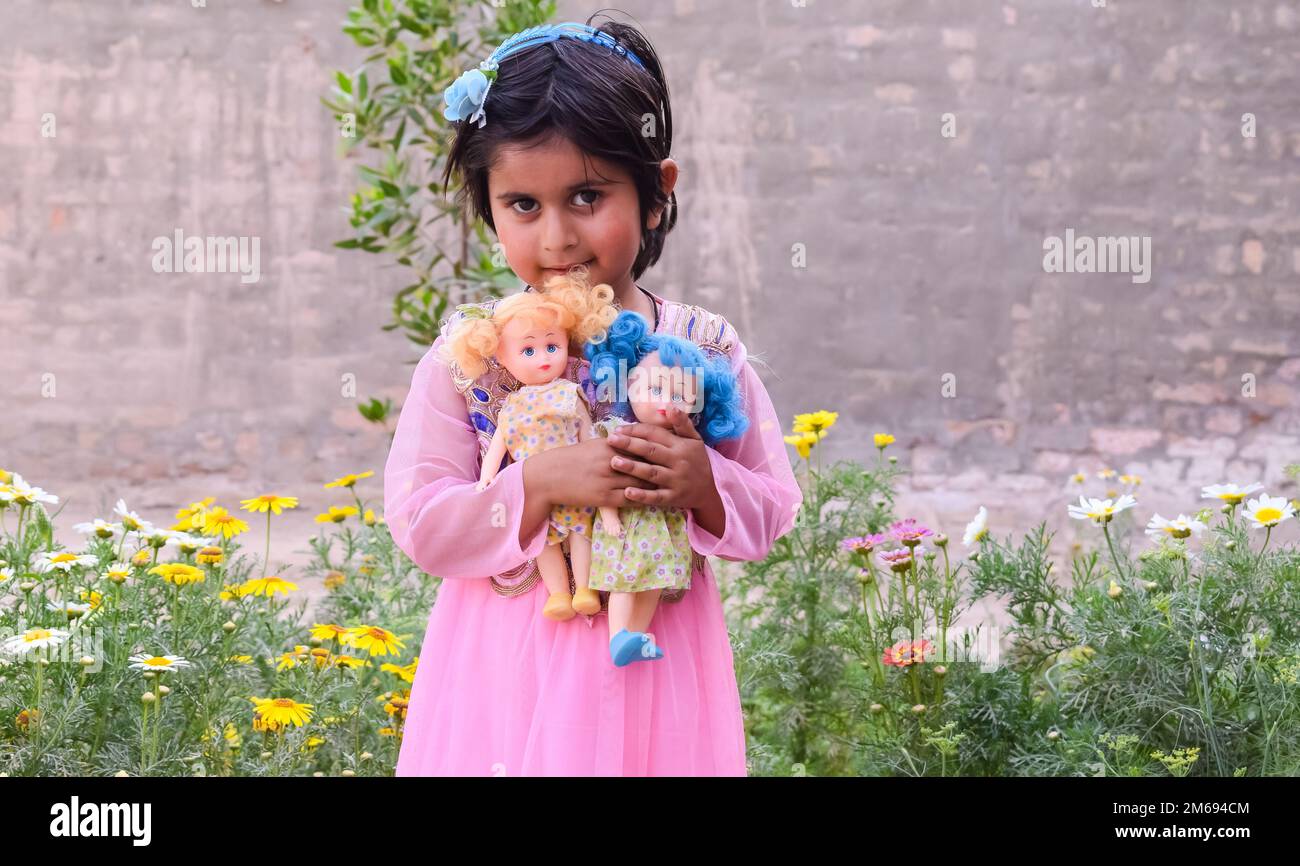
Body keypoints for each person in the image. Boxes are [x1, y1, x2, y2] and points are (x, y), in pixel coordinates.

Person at [383, 17, 801, 775]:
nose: (556, 238)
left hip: (655, 678)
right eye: (522, 205)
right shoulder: (474, 357)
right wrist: (535, 484)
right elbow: (420, 522)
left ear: (653, 195)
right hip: (506, 678)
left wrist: (703, 485)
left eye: (585, 195)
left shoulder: (702, 350)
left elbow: (771, 508)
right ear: (488, 206)